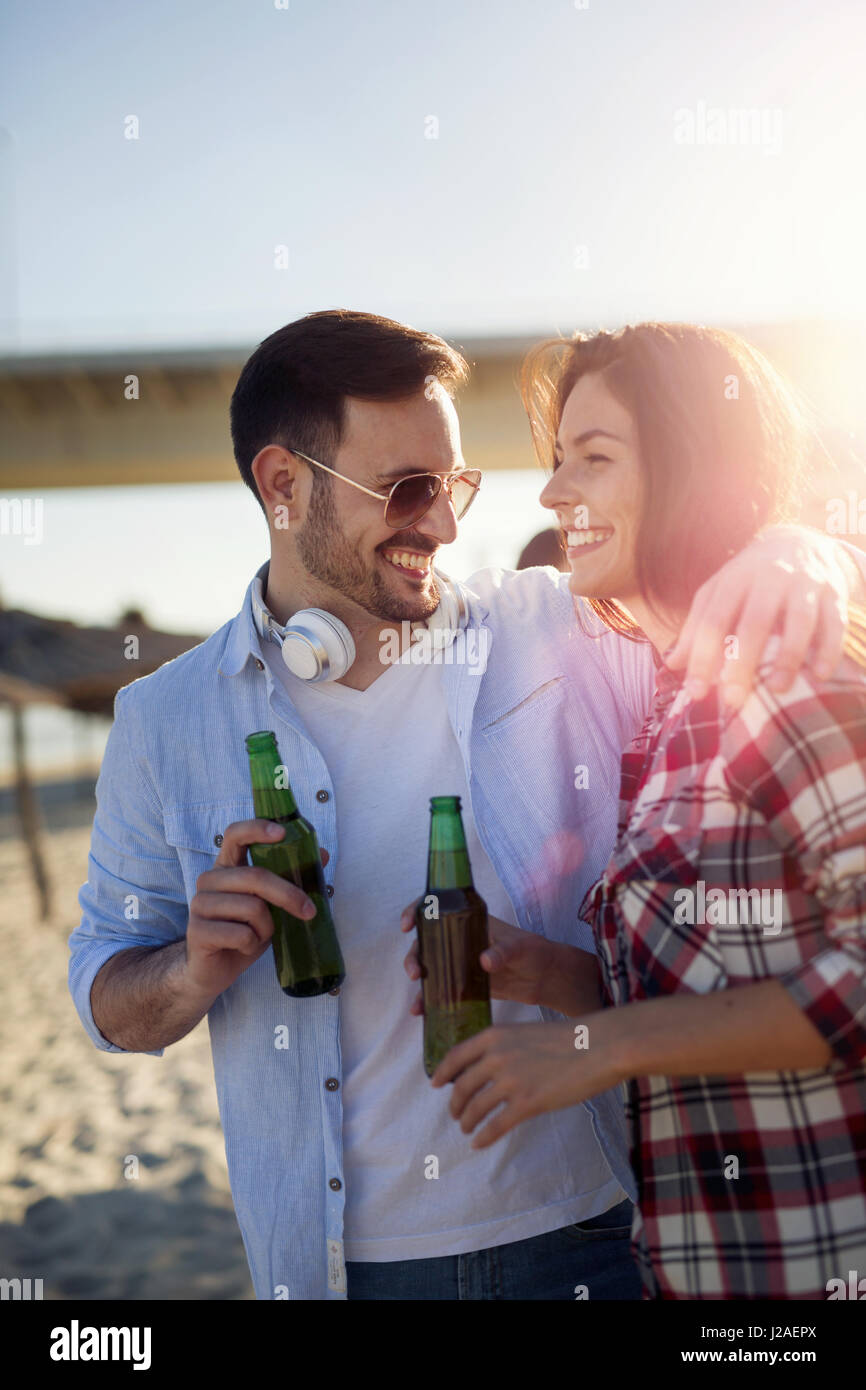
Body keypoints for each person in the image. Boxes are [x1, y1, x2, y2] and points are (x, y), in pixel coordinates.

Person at [69, 311, 866, 1302]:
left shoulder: (562, 622)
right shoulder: (163, 719)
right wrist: (188, 970)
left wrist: (802, 548)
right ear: (282, 486)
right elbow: (107, 993)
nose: (443, 525)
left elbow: (700, 548)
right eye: (407, 490)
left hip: (603, 1234)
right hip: (345, 1268)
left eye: (452, 487)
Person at [425, 322, 866, 1300]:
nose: (549, 494)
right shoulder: (665, 710)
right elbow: (721, 1004)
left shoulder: (792, 680)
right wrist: (544, 973)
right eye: (554, 461)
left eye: (592, 458)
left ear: (690, 469)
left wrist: (593, 1047)